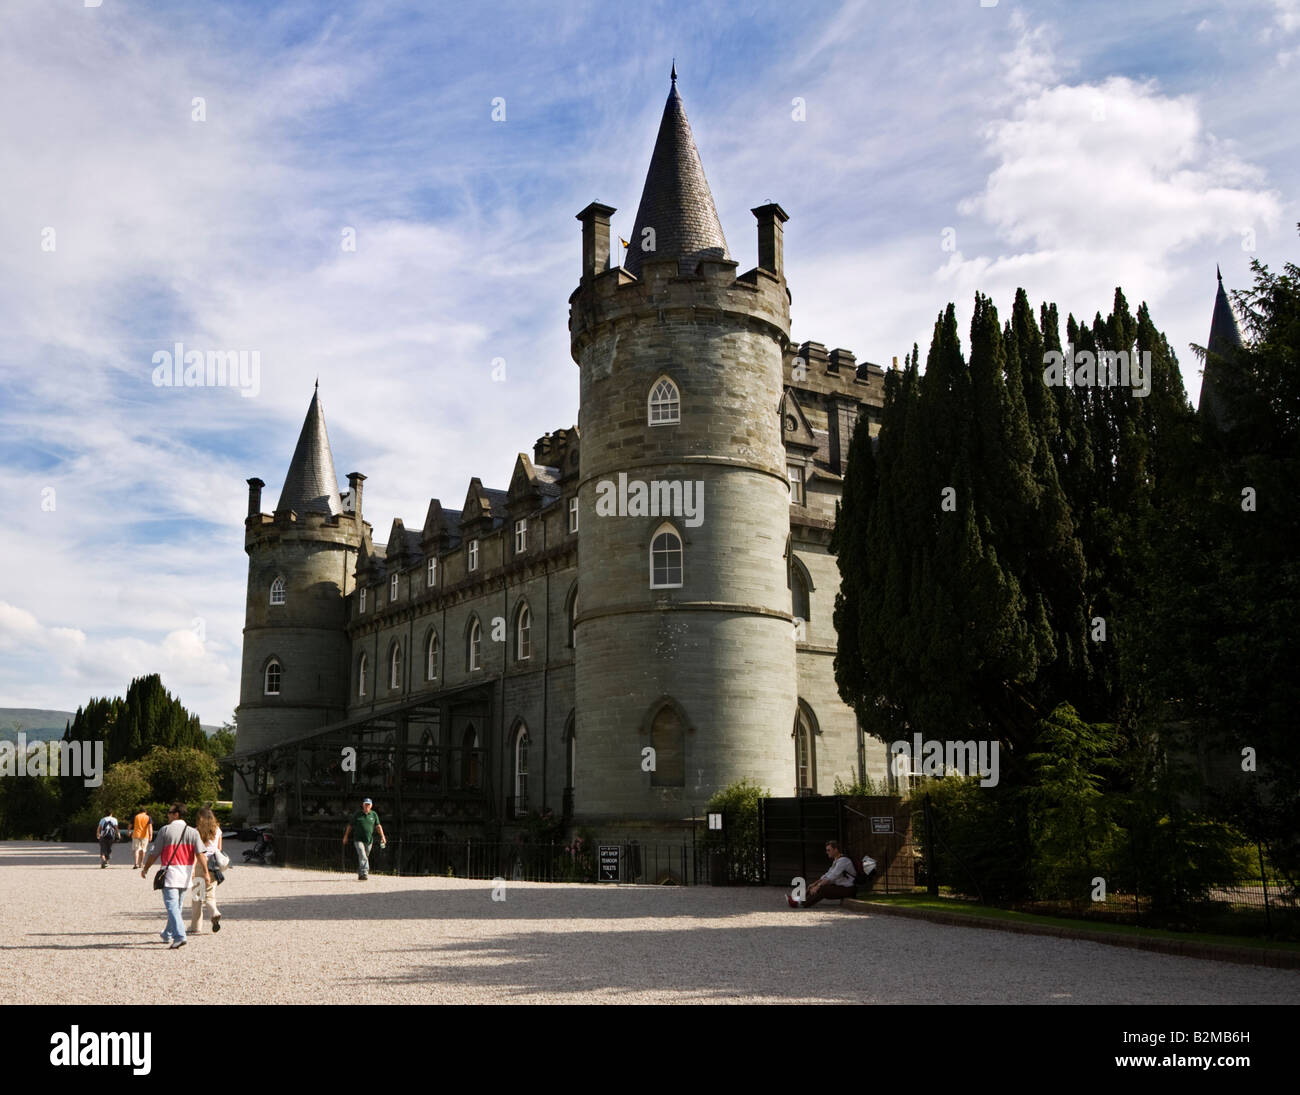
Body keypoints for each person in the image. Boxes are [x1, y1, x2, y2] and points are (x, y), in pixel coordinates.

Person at [141, 803, 211, 949]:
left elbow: (155, 853)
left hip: (170, 873)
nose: (168, 814)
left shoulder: (165, 830)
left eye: (170, 812)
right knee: (176, 906)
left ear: (176, 814)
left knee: (172, 906)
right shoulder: (193, 832)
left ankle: (179, 936)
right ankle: (167, 933)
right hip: (186, 874)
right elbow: (201, 854)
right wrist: (205, 872)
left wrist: (145, 868)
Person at [789, 840, 858, 908]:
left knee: (822, 889)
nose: (827, 852)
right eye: (827, 850)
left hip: (848, 889)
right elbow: (827, 875)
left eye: (829, 850)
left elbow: (831, 877)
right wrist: (815, 884)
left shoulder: (843, 861)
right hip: (841, 887)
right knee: (813, 885)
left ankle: (803, 903)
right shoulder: (837, 860)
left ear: (836, 850)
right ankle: (799, 900)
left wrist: (817, 886)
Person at [190, 806, 224, 935]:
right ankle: (214, 911)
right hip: (214, 865)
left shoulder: (196, 831)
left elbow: (195, 852)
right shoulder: (218, 831)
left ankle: (196, 926)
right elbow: (219, 849)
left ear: (200, 818)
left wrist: (192, 868)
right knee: (210, 893)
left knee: (197, 896)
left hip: (200, 864)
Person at [341, 798, 387, 881]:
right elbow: (350, 826)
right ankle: (365, 873)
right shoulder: (357, 814)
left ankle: (361, 874)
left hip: (369, 840)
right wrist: (346, 836)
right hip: (358, 839)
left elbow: (378, 826)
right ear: (363, 805)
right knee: (362, 854)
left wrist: (382, 836)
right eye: (365, 804)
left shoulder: (374, 815)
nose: (367, 806)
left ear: (371, 806)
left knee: (364, 856)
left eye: (368, 804)